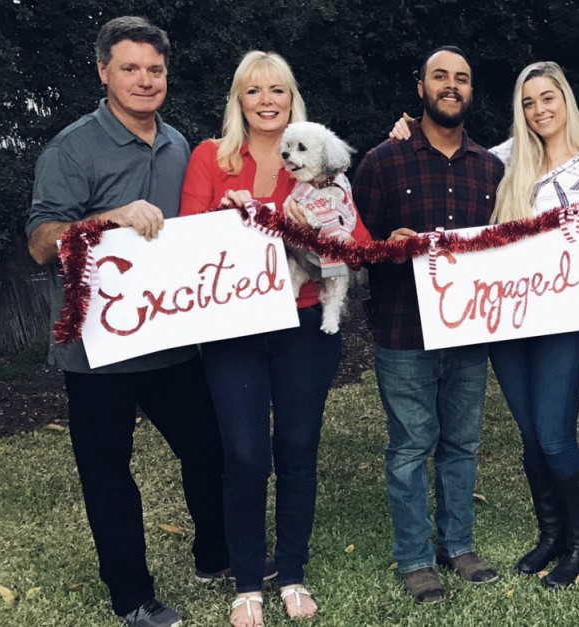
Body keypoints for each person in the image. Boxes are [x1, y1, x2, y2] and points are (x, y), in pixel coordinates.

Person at [25, 16, 228, 627]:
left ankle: (215, 557)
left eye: (155, 69)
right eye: (130, 68)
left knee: (209, 450)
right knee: (109, 475)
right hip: (96, 351)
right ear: (103, 72)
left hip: (170, 339)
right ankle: (132, 597)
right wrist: (106, 218)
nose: (145, 80)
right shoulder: (72, 148)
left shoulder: (179, 143)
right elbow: (40, 244)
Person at [179, 50, 370, 627]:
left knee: (297, 449)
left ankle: (291, 573)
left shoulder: (316, 158)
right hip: (233, 327)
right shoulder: (210, 158)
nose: (267, 101)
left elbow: (358, 243)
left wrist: (325, 232)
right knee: (243, 454)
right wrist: (225, 213)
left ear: (293, 99)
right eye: (254, 90)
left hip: (304, 325)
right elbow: (187, 239)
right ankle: (246, 582)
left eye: (278, 90)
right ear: (239, 99)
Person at [353, 45, 504, 604]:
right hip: (403, 330)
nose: (451, 85)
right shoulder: (382, 161)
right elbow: (354, 245)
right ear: (420, 87)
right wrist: (386, 247)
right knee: (411, 447)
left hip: (469, 333)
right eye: (440, 76)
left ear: (471, 91)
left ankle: (458, 545)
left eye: (461, 78)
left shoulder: (491, 168)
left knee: (462, 444)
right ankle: (415, 557)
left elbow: (507, 246)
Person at [485, 61, 579, 587]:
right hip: (507, 318)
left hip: (565, 319)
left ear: (566, 100)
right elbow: (452, 160)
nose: (539, 110)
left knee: (555, 435)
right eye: (528, 102)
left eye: (548, 98)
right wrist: (406, 134)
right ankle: (552, 536)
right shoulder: (505, 160)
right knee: (530, 435)